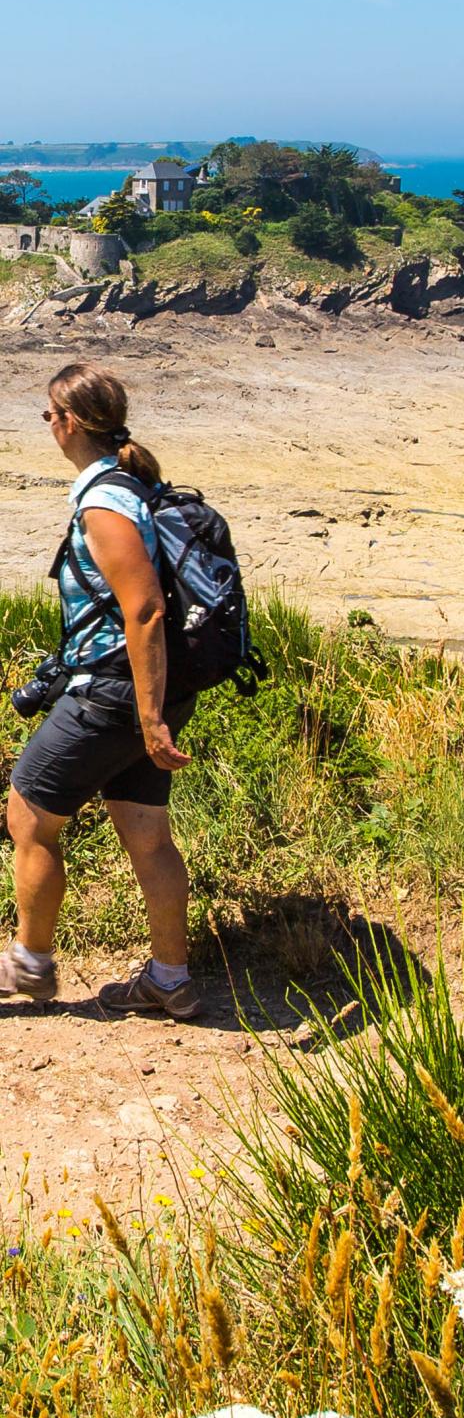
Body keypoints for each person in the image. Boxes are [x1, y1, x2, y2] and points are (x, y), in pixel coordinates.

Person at [0, 363, 202, 1019]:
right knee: (147, 835)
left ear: (69, 423)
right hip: (149, 689)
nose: (47, 425)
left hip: (116, 694)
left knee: (27, 814)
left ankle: (29, 966)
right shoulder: (134, 486)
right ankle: (171, 981)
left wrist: (147, 718)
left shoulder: (105, 501)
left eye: (49, 415)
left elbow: (143, 609)